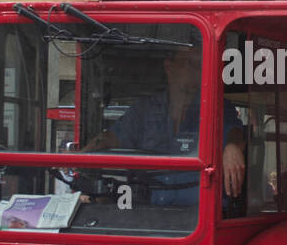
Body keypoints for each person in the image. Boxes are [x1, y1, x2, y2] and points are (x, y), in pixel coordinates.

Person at [84, 48, 245, 205]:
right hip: (149, 213)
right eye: (189, 63)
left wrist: (232, 146)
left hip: (198, 212)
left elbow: (235, 131)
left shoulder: (216, 107)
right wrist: (82, 155)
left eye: (201, 64)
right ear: (169, 66)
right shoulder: (144, 110)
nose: (197, 70)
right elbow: (113, 137)